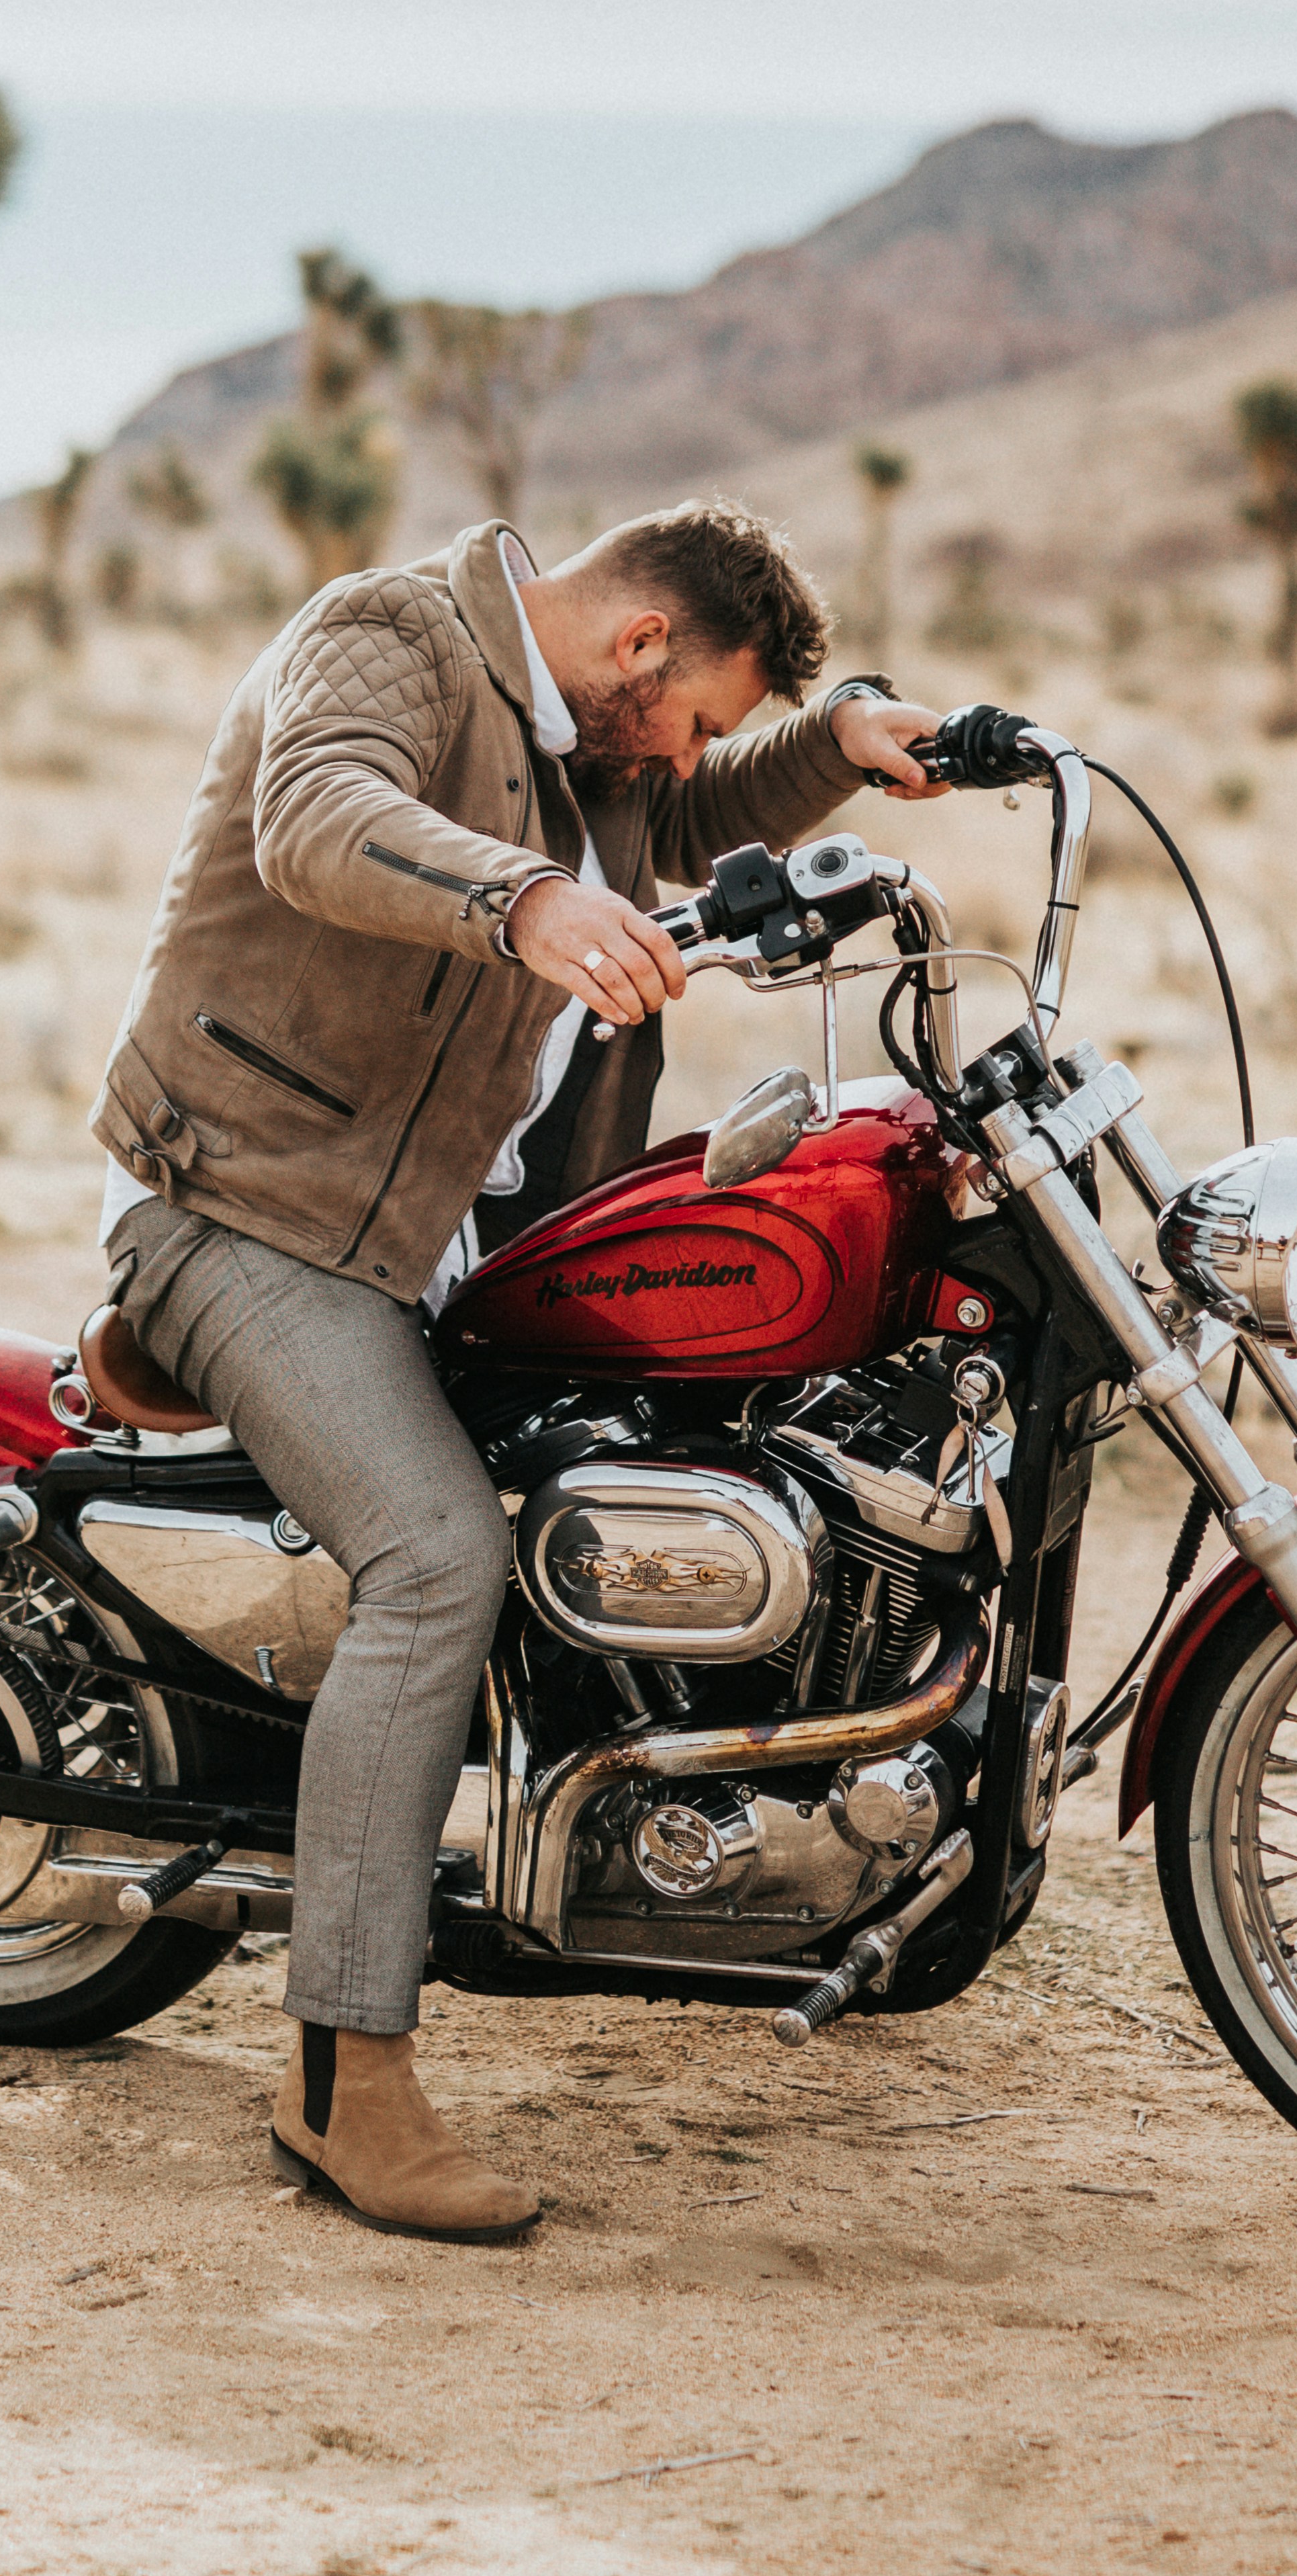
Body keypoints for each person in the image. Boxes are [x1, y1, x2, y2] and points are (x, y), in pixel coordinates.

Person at [92, 497, 941, 2244]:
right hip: (247, 1210)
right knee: (435, 1561)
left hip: (446, 1240)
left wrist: (838, 743)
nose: (687, 755)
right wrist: (527, 903)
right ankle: (341, 2076)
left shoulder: (595, 746)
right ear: (640, 644)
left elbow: (687, 812)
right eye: (695, 712)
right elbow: (320, 817)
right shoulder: (391, 637)